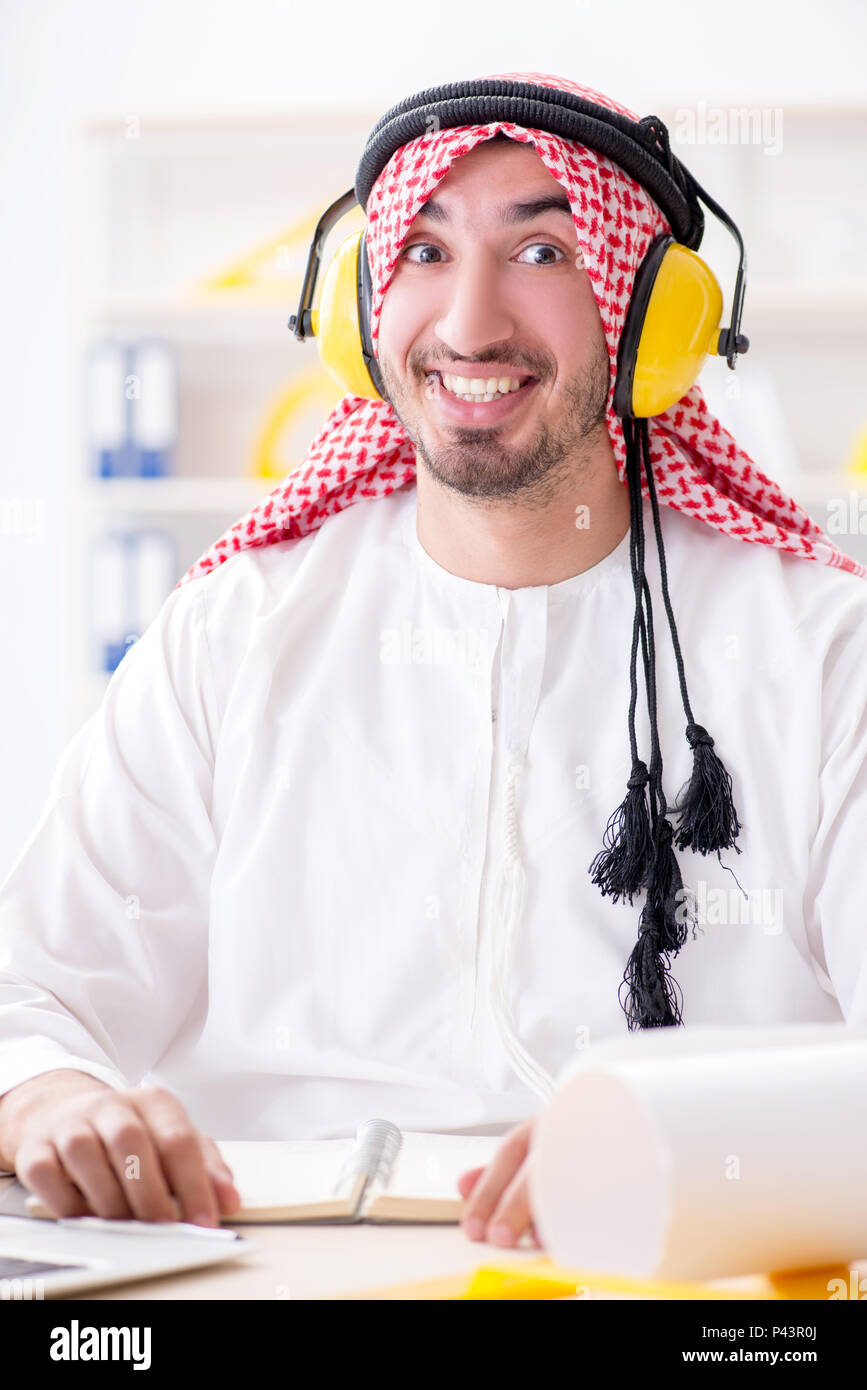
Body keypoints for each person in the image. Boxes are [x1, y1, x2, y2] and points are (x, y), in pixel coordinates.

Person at [1, 73, 865, 1251]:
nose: (468, 324)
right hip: (268, 1271)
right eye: (420, 251)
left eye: (545, 253)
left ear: (651, 320)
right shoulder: (233, 631)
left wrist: (679, 1134)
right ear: (362, 312)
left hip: (664, 1268)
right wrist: (50, 1094)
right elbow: (31, 986)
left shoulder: (822, 654)